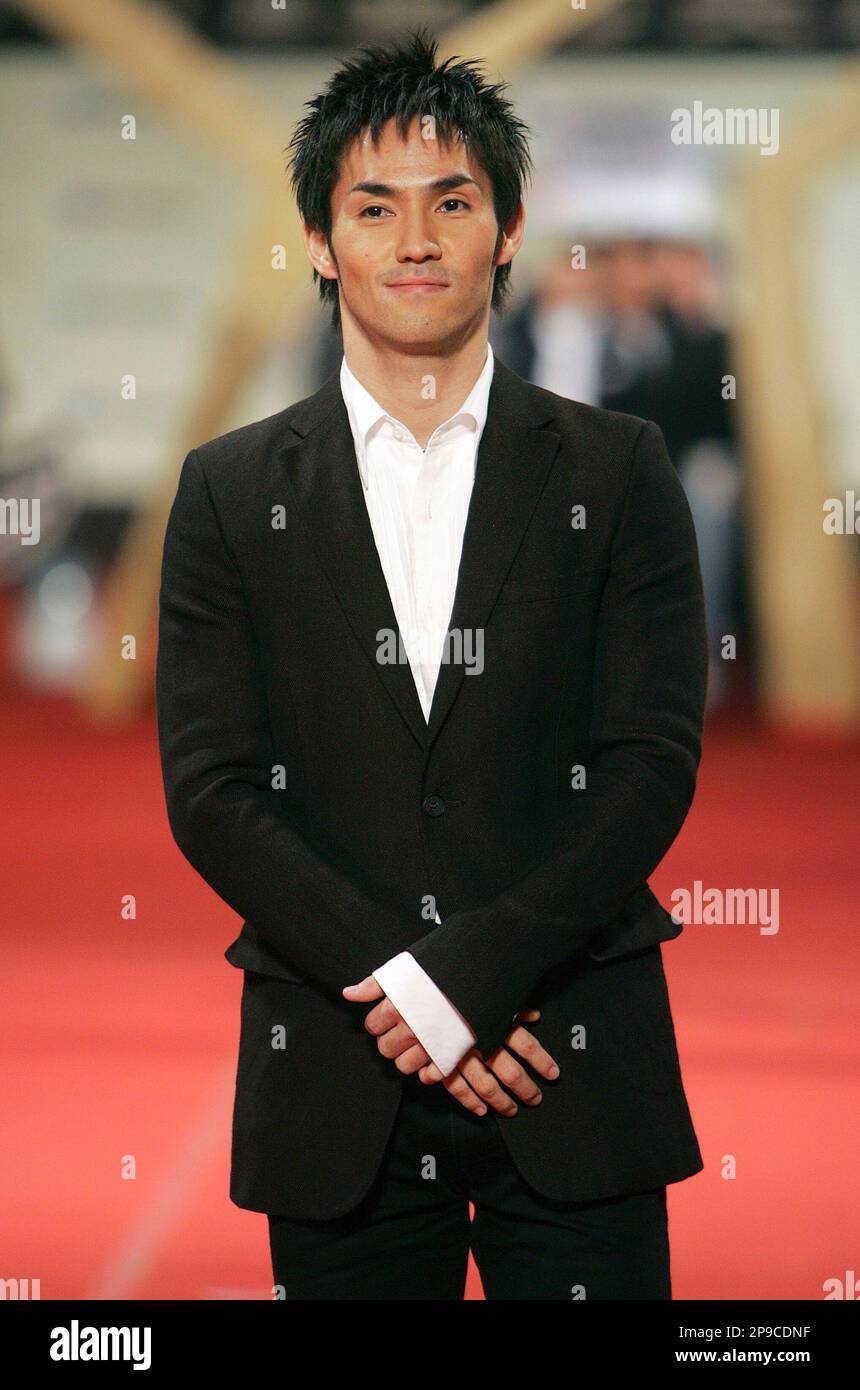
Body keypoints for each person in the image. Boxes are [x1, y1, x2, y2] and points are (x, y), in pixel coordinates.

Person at [155, 28, 707, 1301]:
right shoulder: (230, 493)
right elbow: (215, 791)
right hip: (339, 1081)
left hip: (570, 1061)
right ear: (316, 240)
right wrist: (420, 992)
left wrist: (470, 979)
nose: (415, 241)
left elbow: (648, 765)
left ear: (507, 230)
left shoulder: (617, 471)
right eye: (374, 207)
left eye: (452, 203)